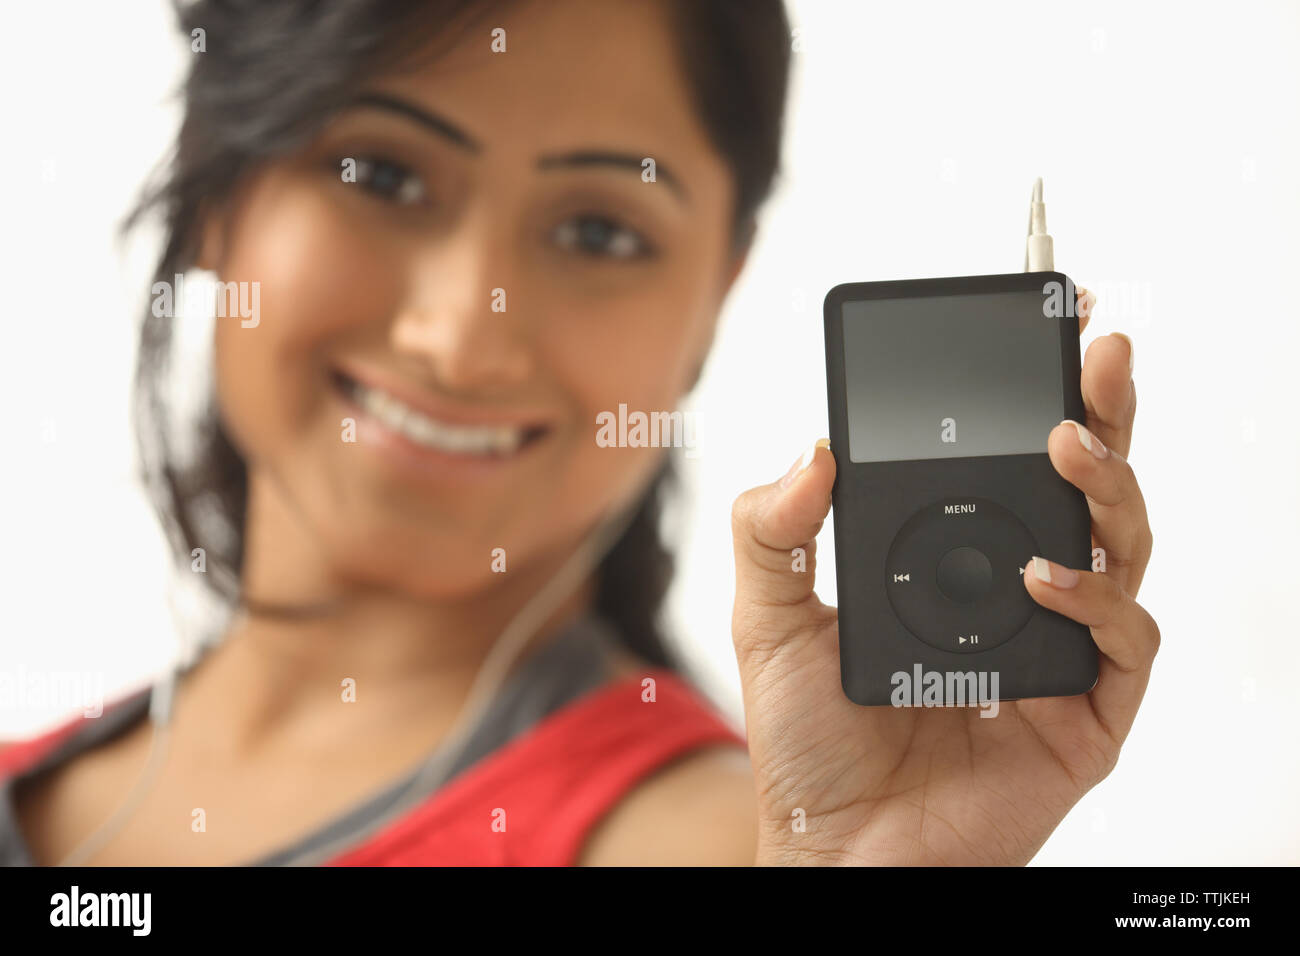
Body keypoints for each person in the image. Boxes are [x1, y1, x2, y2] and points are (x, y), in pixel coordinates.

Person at [0, 0, 1157, 867]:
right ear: (214, 180)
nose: (461, 336)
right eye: (382, 173)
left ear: (717, 295)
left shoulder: (726, 844)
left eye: (600, 231)